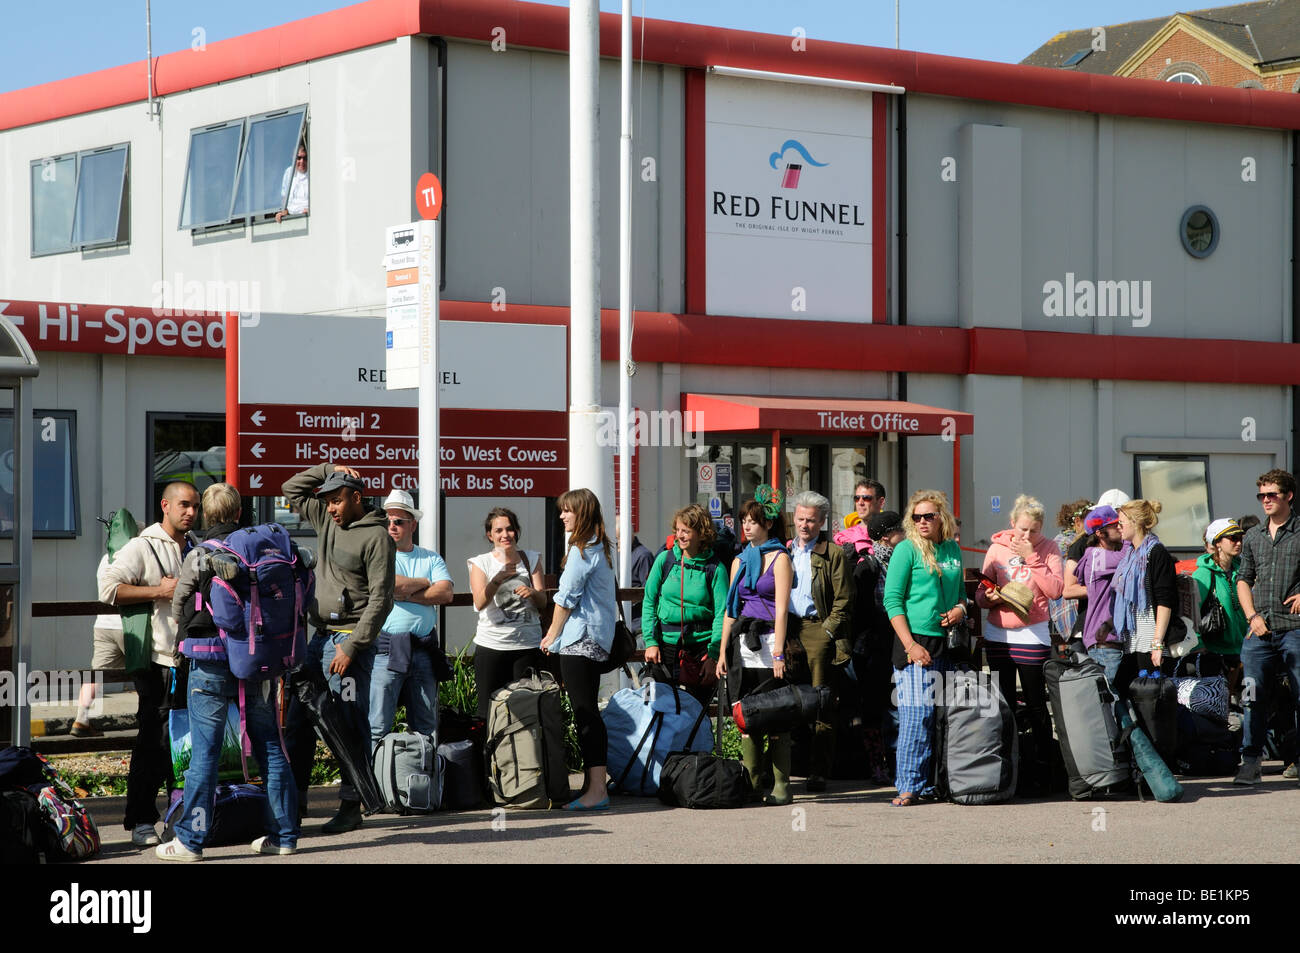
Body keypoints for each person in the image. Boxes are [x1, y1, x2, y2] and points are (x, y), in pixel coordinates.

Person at [155, 483, 299, 860]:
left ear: (205, 514)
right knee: (270, 744)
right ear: (238, 514)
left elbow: (180, 602)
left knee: (206, 751)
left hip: (210, 660)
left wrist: (180, 637)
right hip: (255, 659)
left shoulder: (200, 553)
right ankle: (284, 836)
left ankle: (191, 841)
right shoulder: (259, 549)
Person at [282, 463, 394, 833]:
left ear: (357, 498)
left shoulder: (377, 537)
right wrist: (328, 468)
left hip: (348, 643)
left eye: (337, 500)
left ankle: (351, 805)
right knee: (298, 721)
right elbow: (290, 489)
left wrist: (353, 646)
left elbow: (382, 599)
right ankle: (294, 803)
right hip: (318, 639)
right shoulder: (327, 519)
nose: (330, 507)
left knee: (347, 725)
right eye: (327, 501)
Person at [97, 480, 198, 847]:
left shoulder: (196, 546)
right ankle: (141, 820)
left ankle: (179, 817)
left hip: (192, 660)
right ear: (165, 506)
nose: (190, 512)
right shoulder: (143, 545)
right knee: (152, 742)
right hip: (158, 661)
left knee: (185, 745)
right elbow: (108, 589)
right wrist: (160, 591)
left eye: (195, 506)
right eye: (184, 505)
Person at [881, 489, 966, 807]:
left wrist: (961, 609)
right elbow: (892, 601)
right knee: (916, 716)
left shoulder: (953, 549)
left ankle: (934, 784)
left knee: (941, 717)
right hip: (914, 642)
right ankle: (908, 784)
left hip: (947, 643)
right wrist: (910, 646)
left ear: (941, 517)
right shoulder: (906, 550)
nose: (921, 522)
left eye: (928, 516)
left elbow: (961, 595)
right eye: (916, 517)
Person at [975, 494, 1064, 794]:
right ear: (1012, 523)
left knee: (1037, 703)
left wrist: (1032, 557)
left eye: (1034, 530)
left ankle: (1042, 769)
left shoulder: (1049, 549)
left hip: (1032, 633)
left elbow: (1055, 590)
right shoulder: (997, 547)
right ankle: (1008, 769)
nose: (1026, 535)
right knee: (1004, 705)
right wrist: (986, 596)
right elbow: (980, 592)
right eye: (1022, 529)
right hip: (998, 633)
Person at [540, 488, 617, 811]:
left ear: (581, 513)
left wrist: (550, 636)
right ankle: (593, 785)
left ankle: (597, 790)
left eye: (567, 510)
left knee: (585, 714)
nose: (561, 516)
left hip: (579, 640)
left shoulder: (582, 552)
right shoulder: (597, 548)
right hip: (595, 639)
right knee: (588, 713)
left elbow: (565, 598)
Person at [716, 490, 795, 805]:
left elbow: (781, 611)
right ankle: (751, 781)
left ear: (768, 524)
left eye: (753, 521)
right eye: (744, 521)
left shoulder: (781, 558)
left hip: (770, 641)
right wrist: (722, 651)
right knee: (744, 713)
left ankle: (782, 786)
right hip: (742, 641)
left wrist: (778, 652)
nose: (747, 527)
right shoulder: (738, 560)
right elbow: (730, 609)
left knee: (775, 714)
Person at [368, 490, 453, 745]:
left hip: (423, 649)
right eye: (388, 521)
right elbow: (391, 585)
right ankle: (377, 784)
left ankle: (425, 782)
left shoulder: (430, 556)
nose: (392, 527)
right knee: (378, 724)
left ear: (412, 525)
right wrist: (426, 582)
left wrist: (406, 594)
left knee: (426, 726)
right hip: (385, 650)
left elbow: (446, 592)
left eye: (399, 522)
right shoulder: (378, 555)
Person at [1234, 469, 1300, 786]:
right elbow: (1243, 579)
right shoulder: (1253, 537)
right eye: (1262, 495)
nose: (1266, 500)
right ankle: (1250, 761)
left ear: (1288, 495)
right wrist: (1251, 616)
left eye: (1272, 494)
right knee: (1251, 694)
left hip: (1295, 628)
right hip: (1259, 629)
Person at [788, 490, 852, 792]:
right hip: (787, 630)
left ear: (823, 522)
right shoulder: (785, 551)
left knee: (821, 702)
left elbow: (844, 601)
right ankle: (790, 767)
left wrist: (827, 632)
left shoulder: (833, 554)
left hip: (817, 629)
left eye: (811, 520)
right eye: (800, 518)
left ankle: (818, 771)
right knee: (788, 700)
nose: (804, 525)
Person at [640, 503, 728, 703]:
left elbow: (721, 614)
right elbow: (649, 601)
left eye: (686, 531)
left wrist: (713, 655)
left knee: (696, 711)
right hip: (664, 648)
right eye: (678, 530)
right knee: (656, 706)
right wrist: (651, 642)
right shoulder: (665, 560)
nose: (680, 536)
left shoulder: (715, 569)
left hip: (701, 650)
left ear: (701, 533)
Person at [468, 506, 547, 719]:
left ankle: (524, 753)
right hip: (492, 645)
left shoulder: (531, 558)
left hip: (527, 645)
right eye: (499, 530)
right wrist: (497, 579)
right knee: (488, 712)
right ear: (490, 535)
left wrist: (532, 592)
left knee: (528, 710)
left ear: (517, 531)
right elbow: (479, 602)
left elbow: (543, 601)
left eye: (510, 529)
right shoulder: (481, 562)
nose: (505, 535)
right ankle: (489, 753)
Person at [1109, 499, 1177, 700]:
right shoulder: (1130, 554)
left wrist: (1157, 645)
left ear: (1135, 522)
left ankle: (1151, 733)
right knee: (1123, 692)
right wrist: (1108, 624)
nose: (1117, 528)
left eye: (1121, 523)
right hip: (1132, 640)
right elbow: (1126, 599)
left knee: (1147, 700)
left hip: (1149, 640)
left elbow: (1165, 601)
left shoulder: (1156, 553)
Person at [1070, 505, 1125, 687]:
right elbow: (1131, 556)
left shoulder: (1103, 554)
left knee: (1120, 702)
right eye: (1115, 525)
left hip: (1110, 642)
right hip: (1104, 645)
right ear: (1100, 534)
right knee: (1112, 701)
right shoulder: (1097, 556)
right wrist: (1135, 532)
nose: (1120, 528)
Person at [1191, 519, 1246, 670]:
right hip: (1214, 653)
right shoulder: (1204, 573)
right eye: (1233, 538)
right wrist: (1199, 644)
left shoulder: (1242, 570)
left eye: (1240, 538)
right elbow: (1191, 612)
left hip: (1243, 649)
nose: (1239, 543)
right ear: (1217, 543)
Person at [74, 565, 121, 737]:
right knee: (143, 673)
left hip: (104, 623)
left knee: (95, 675)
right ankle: (150, 723)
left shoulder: (105, 559)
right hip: (130, 624)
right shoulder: (137, 551)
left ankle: (81, 719)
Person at [833, 478, 886, 555]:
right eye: (857, 498)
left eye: (866, 498)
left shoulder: (892, 536)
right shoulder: (843, 537)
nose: (860, 502)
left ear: (880, 502)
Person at [276, 144, 309, 222]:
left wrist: (312, 210)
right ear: (293, 158)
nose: (302, 161)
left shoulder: (313, 172)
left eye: (305, 158)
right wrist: (283, 211)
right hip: (291, 218)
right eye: (299, 158)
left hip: (307, 217)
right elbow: (284, 197)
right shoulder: (289, 173)